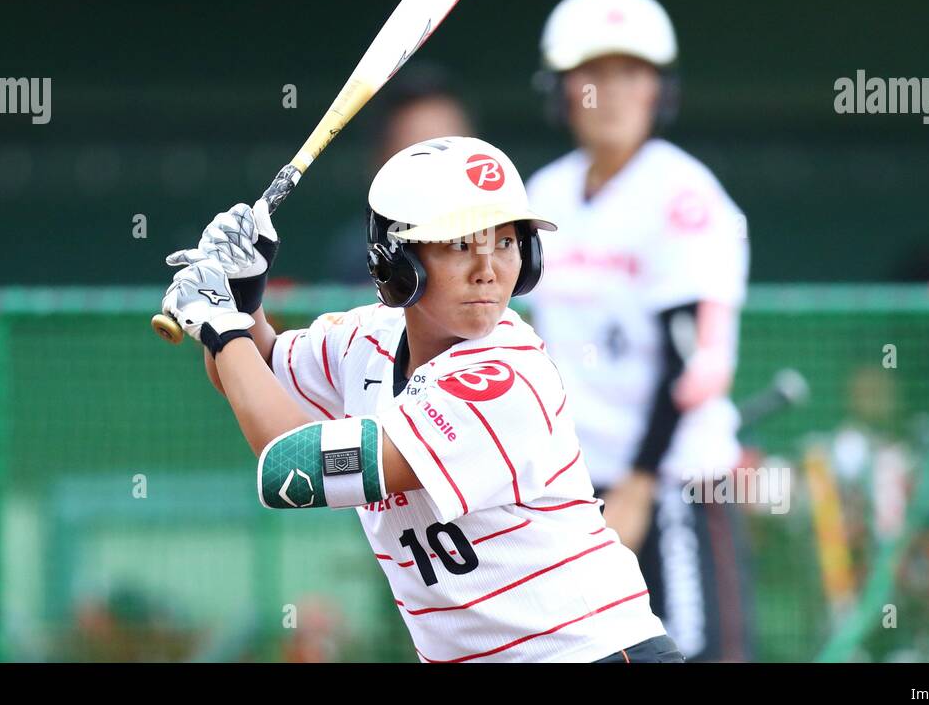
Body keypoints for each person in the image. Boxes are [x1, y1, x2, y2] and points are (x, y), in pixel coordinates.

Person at [161, 136, 682, 663]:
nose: (488, 269)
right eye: (460, 245)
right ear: (397, 260)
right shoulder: (368, 337)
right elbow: (252, 373)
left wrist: (222, 326)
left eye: (504, 242)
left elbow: (293, 467)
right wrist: (244, 300)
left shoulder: (503, 378)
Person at [524, 0, 753, 661]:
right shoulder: (542, 195)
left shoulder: (684, 196)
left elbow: (688, 357)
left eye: (632, 73)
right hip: (574, 487)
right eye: (592, 75)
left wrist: (641, 483)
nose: (612, 92)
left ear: (660, 89)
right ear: (561, 90)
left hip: (672, 483)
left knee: (693, 652)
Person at [325, 62, 474, 283]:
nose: (442, 167)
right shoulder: (364, 254)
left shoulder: (509, 238)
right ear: (380, 161)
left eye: (454, 147)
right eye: (422, 153)